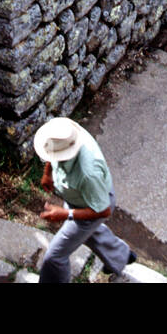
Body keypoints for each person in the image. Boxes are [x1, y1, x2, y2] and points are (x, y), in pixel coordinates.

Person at [35, 117, 135, 283]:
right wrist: (48, 174)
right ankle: (121, 256)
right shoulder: (67, 135)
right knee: (88, 233)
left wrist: (66, 214)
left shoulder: (89, 172)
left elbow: (103, 211)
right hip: (79, 197)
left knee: (55, 257)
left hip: (93, 205)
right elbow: (53, 152)